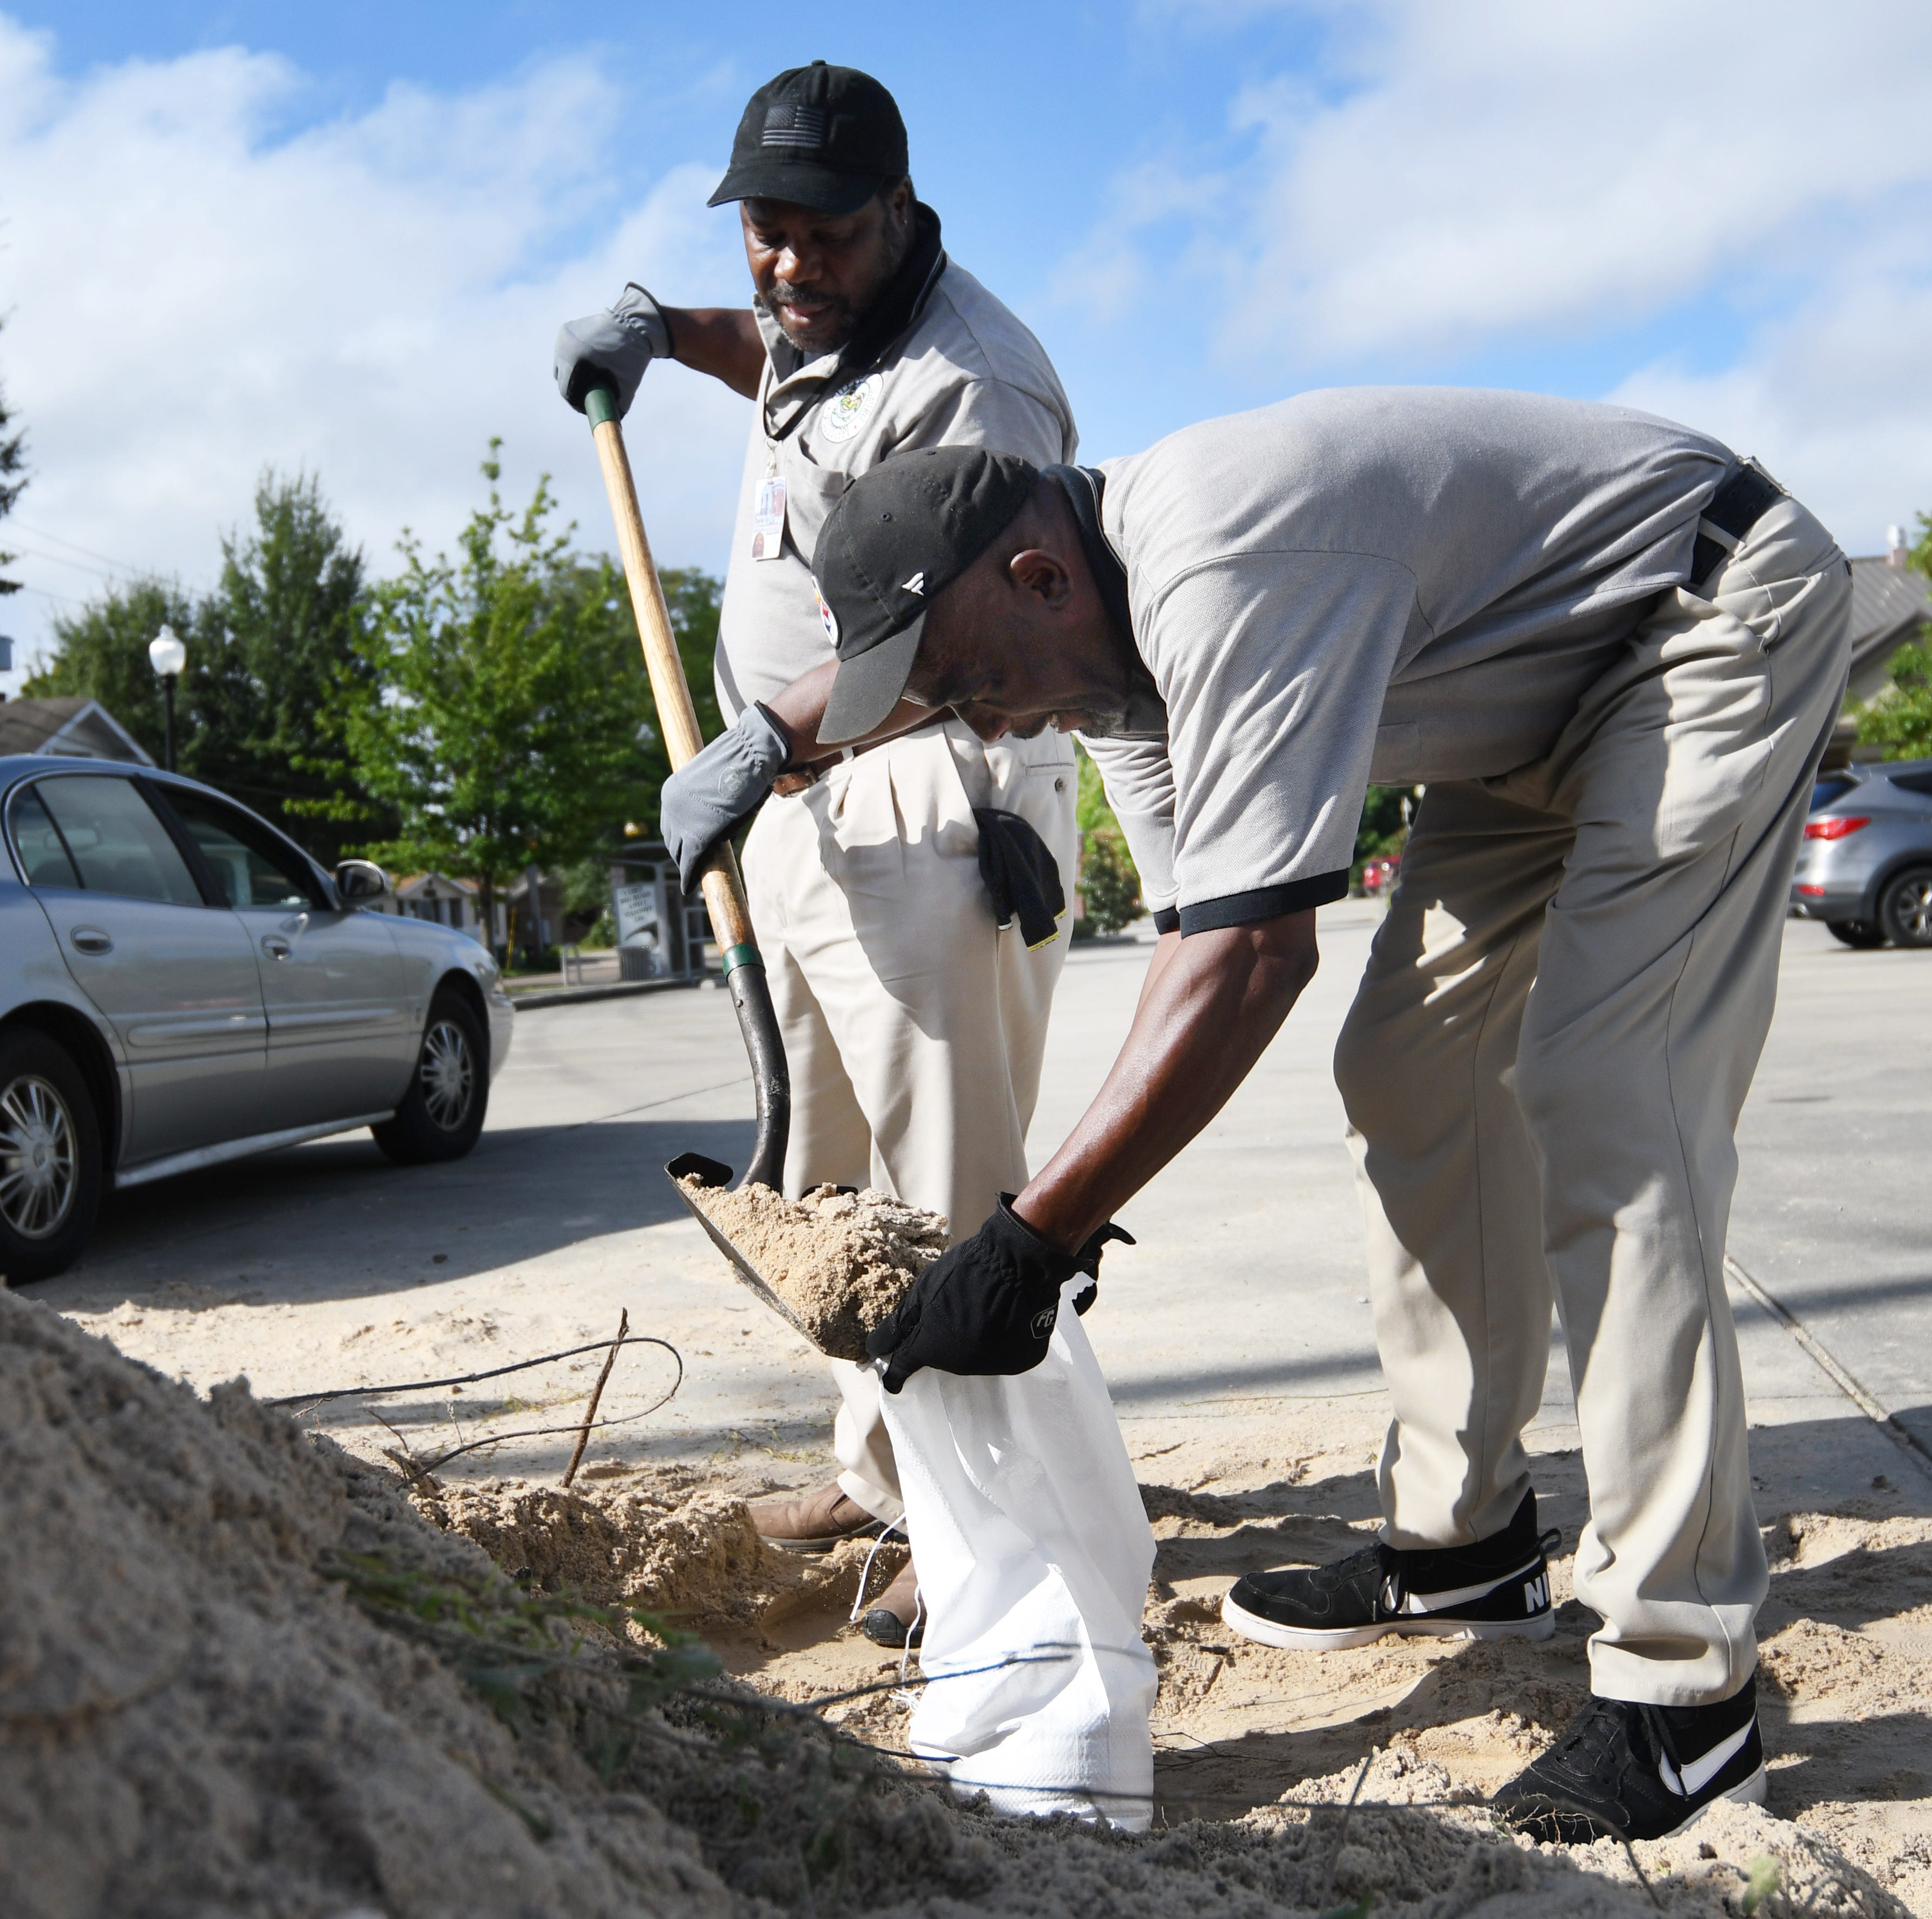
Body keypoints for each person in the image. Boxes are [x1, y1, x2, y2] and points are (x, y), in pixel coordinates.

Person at [761, 389, 1849, 1843]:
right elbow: (1189, 948)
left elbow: (1256, 957)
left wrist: (1032, 1239)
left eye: (964, 679)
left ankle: (1681, 1686)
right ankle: (1462, 1543)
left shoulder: (1213, 563)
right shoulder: (1107, 675)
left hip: (1696, 620)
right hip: (1526, 705)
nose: (985, 721)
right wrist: (1051, 1224)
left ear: (1038, 577)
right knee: (1405, 1067)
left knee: (1611, 1097)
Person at [553, 61, 1127, 1643]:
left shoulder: (976, 389)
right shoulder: (815, 323)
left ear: (900, 211)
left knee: (952, 1192)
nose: (786, 269)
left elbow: (989, 647)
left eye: (822, 236)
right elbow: (776, 360)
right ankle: (882, 1474)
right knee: (829, 1183)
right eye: (762, 235)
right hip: (795, 794)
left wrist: (776, 742)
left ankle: (991, 1535)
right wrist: (667, 334)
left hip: (932, 793)